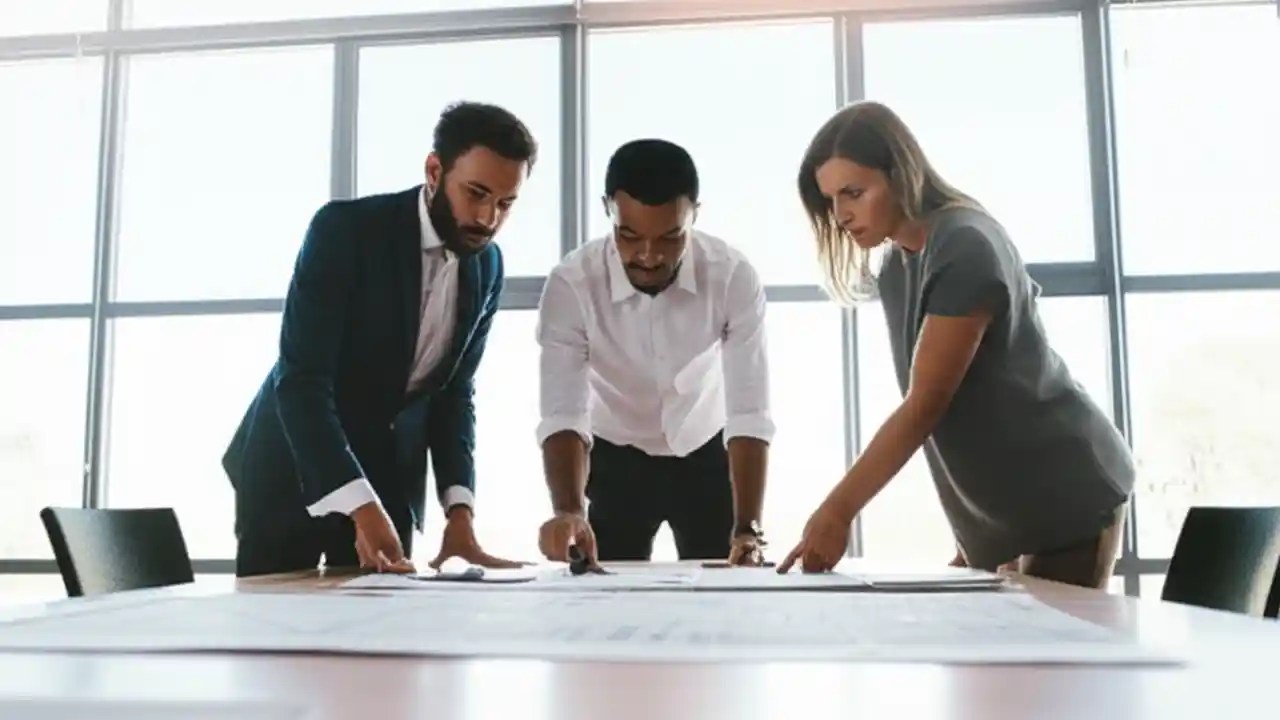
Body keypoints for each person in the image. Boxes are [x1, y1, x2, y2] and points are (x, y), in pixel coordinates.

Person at [780, 101, 1133, 589]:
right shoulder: (897, 266)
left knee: (1048, 661)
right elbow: (955, 414)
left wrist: (837, 511)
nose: (840, 215)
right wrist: (976, 538)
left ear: (900, 175)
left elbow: (926, 404)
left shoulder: (965, 244)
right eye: (830, 201)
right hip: (1006, 516)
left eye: (854, 193)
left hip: (1065, 492)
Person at [223, 101, 537, 577]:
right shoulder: (344, 230)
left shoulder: (487, 267)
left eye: (505, 203)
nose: (488, 218)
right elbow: (302, 380)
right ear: (435, 170)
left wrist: (459, 512)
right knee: (275, 635)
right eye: (476, 193)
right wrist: (360, 508)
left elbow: (454, 393)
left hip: (388, 479)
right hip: (291, 467)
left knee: (383, 636)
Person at [535, 139, 774, 567]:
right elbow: (563, 412)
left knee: (729, 595)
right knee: (602, 601)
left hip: (707, 451)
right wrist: (568, 510)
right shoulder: (571, 284)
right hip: (614, 457)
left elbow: (749, 412)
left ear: (694, 214)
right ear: (608, 208)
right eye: (629, 236)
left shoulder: (733, 275)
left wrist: (749, 529)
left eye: (670, 238)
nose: (648, 255)